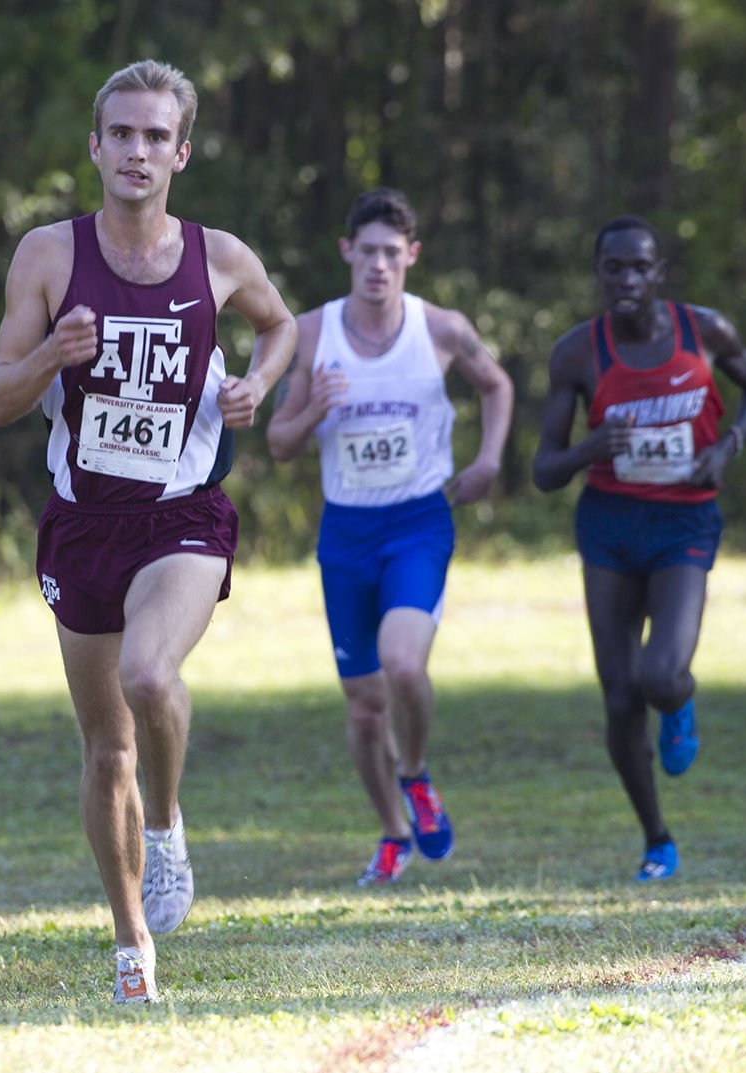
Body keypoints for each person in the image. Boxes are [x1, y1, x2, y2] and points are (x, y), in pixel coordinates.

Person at [0, 59, 296, 1003]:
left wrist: (255, 382)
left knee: (149, 675)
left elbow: (280, 326)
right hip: (83, 524)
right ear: (95, 145)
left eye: (156, 136)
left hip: (183, 514)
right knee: (105, 746)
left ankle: (164, 830)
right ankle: (133, 951)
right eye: (121, 133)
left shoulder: (218, 256)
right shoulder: (46, 254)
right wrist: (52, 353)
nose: (136, 150)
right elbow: (1, 399)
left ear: (182, 153)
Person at [266, 188, 513, 885]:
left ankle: (415, 773)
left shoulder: (439, 329)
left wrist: (489, 459)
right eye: (365, 251)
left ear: (411, 256)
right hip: (345, 532)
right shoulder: (313, 334)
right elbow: (280, 443)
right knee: (365, 709)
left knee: (403, 667)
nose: (378, 264)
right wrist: (311, 405)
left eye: (390, 253)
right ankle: (390, 830)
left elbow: (496, 385)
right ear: (346, 252)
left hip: (416, 521)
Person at [532, 216, 746, 882]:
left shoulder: (706, 331)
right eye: (613, 268)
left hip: (683, 523)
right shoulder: (577, 354)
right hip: (609, 527)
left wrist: (727, 447)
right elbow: (543, 471)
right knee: (617, 700)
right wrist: (589, 448)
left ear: (658, 272)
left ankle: (679, 705)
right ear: (598, 274)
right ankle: (656, 837)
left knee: (660, 676)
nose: (627, 280)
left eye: (639, 267)